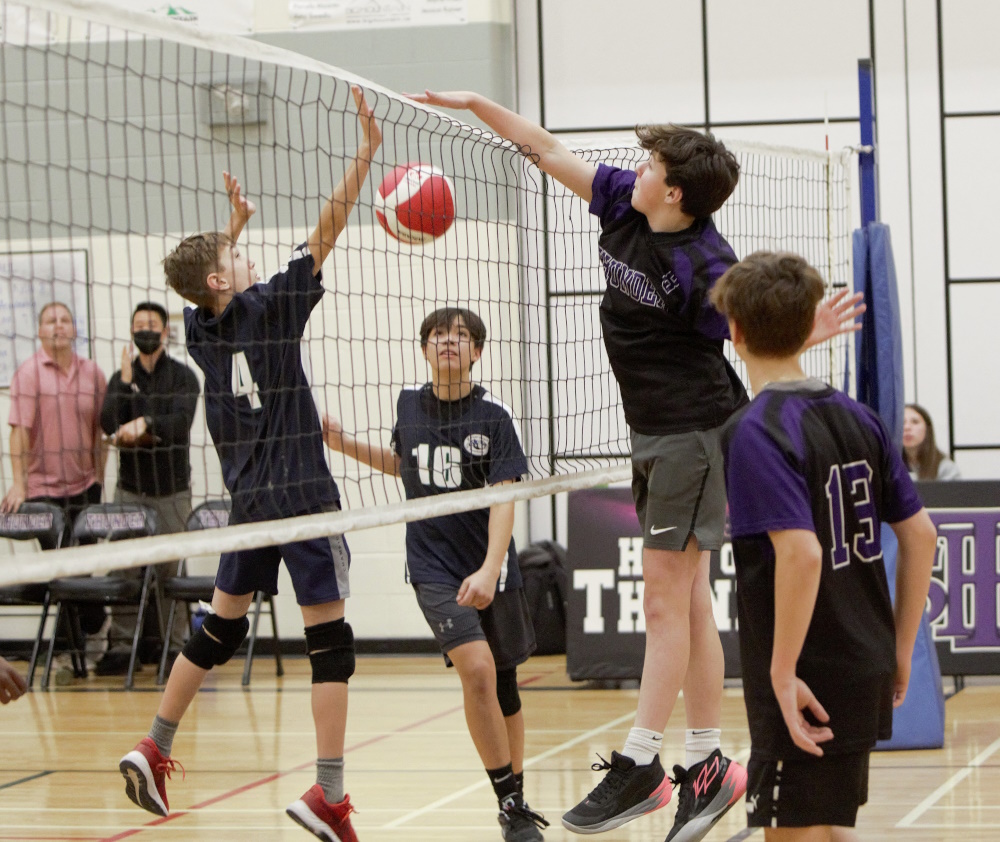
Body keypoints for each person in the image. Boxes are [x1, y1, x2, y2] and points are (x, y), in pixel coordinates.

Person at [407, 89, 864, 841]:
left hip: (694, 432)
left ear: (675, 192)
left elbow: (756, 346)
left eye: (650, 162)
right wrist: (474, 102)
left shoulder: (705, 263)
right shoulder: (624, 202)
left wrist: (806, 335)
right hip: (652, 431)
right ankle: (710, 761)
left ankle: (644, 763)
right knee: (685, 605)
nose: (635, 166)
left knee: (662, 601)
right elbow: (546, 149)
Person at [118, 85, 380, 842]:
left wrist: (230, 231)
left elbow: (210, 294)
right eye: (237, 254)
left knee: (220, 629)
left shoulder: (200, 335)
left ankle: (155, 742)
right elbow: (328, 225)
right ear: (225, 279)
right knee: (330, 641)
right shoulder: (270, 307)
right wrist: (364, 153)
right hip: (303, 495)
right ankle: (328, 794)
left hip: (248, 506)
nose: (246, 257)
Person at [710, 251, 937, 841]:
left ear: (733, 331)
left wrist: (780, 672)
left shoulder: (754, 429)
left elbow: (803, 553)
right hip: (864, 658)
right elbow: (921, 535)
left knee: (797, 832)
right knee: (831, 830)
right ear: (810, 322)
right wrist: (902, 646)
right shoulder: (859, 416)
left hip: (806, 674)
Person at [323, 306, 549, 842]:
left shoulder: (495, 415)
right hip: (432, 566)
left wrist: (491, 569)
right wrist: (345, 443)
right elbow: (407, 464)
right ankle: (510, 802)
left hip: (490, 563)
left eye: (463, 335)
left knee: (507, 685)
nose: (450, 341)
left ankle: (514, 802)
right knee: (477, 671)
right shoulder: (408, 403)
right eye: (440, 334)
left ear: (477, 352)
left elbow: (505, 499)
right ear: (425, 348)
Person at [97, 301, 200, 675]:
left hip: (171, 490)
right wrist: (124, 384)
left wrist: (146, 422)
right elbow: (108, 421)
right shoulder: (120, 376)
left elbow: (179, 424)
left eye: (151, 323)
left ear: (164, 331)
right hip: (130, 490)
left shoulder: (184, 376)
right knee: (123, 569)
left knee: (169, 573)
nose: (145, 329)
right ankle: (124, 648)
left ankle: (176, 650)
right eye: (138, 323)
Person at [2, 301, 108, 545]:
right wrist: (19, 486)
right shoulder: (28, 373)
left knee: (85, 564)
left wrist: (99, 478)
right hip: (44, 492)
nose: (59, 326)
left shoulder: (93, 373)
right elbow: (19, 433)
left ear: (74, 329)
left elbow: (99, 431)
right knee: (59, 567)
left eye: (64, 320)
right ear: (40, 332)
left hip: (85, 487)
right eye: (51, 321)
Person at [903, 403, 961, 481]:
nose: (907, 427)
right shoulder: (887, 465)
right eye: (902, 422)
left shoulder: (945, 468)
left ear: (927, 429)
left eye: (915, 422)